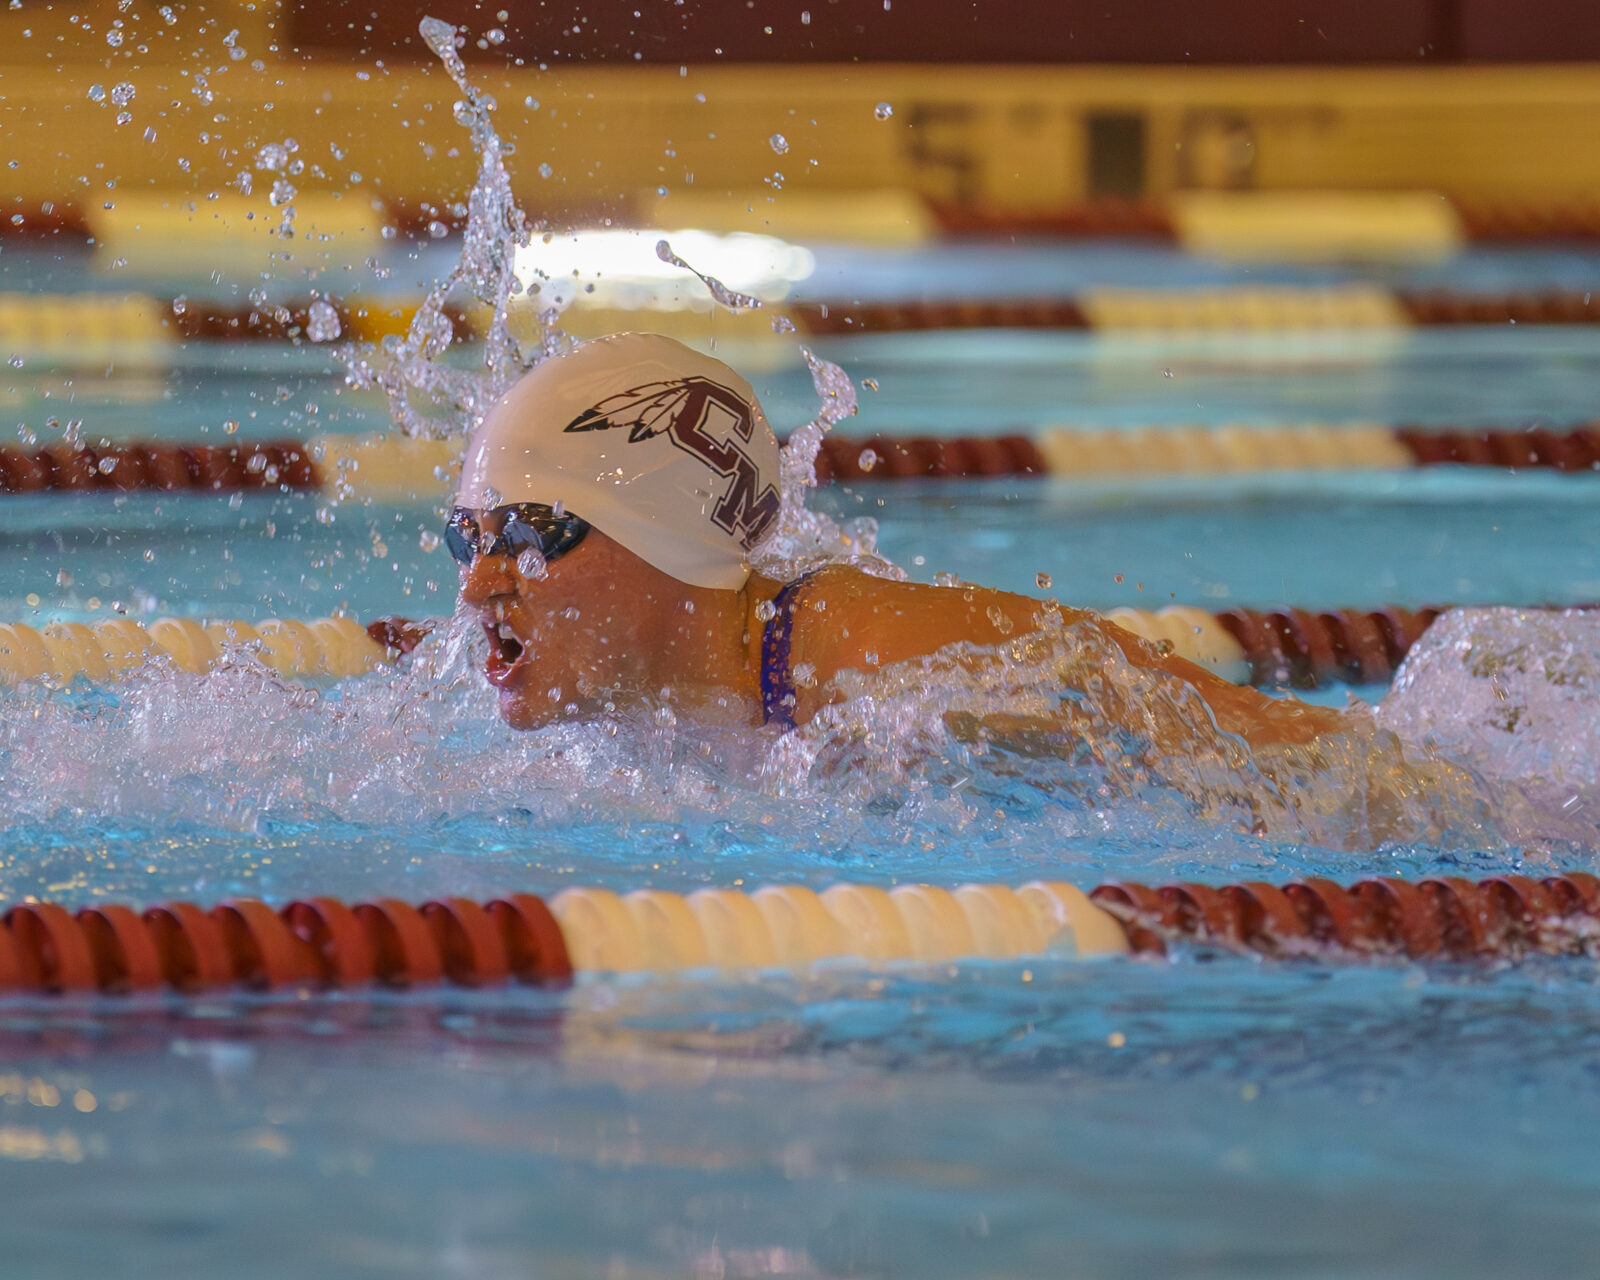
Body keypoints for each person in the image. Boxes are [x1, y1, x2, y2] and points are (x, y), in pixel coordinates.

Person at [451, 333, 1347, 753]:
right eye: (468, 539)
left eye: (534, 532)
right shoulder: (623, 714)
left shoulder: (882, 666)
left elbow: (1258, 748)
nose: (478, 586)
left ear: (669, 531)